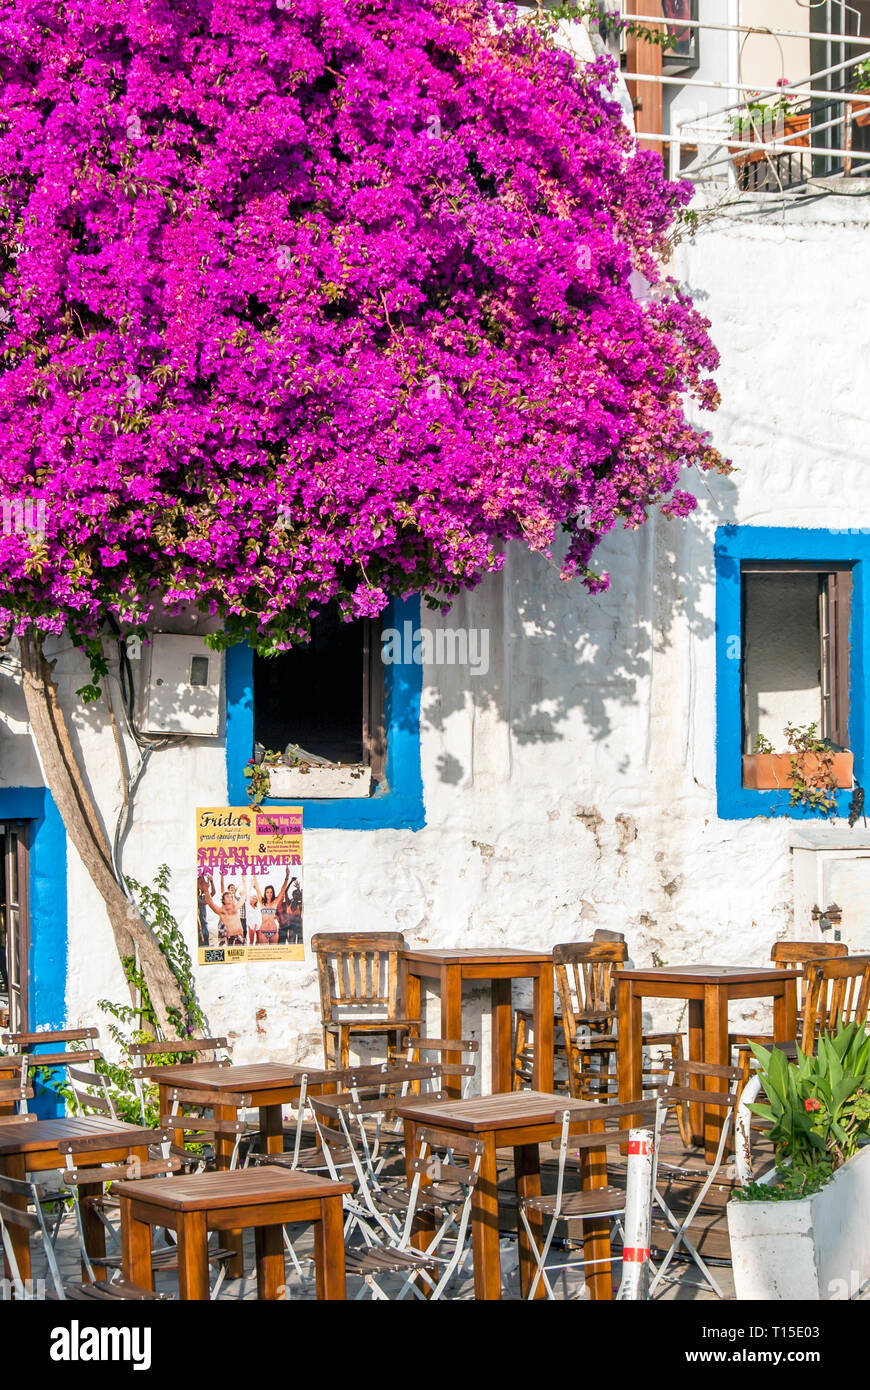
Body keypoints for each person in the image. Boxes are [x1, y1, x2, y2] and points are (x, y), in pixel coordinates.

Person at [202, 878, 246, 947]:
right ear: (223, 900)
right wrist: (206, 890)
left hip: (241, 938)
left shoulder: (235, 908)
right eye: (227, 897)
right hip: (231, 939)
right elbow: (210, 903)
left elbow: (243, 896)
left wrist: (244, 881)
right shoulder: (222, 911)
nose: (230, 898)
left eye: (231, 897)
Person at [251, 868, 290, 946]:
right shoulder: (262, 902)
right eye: (267, 892)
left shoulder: (275, 902)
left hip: (274, 931)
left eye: (271, 892)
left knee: (274, 951)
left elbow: (283, 890)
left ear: (273, 893)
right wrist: (254, 873)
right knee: (264, 952)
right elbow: (257, 887)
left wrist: (287, 876)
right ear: (265, 893)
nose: (269, 894)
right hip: (263, 931)